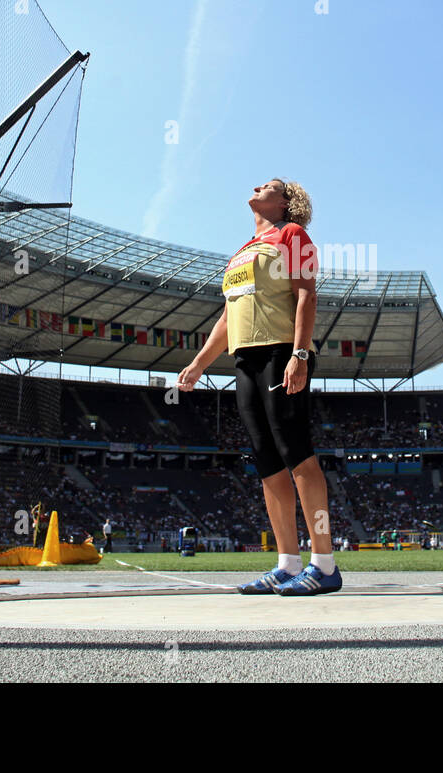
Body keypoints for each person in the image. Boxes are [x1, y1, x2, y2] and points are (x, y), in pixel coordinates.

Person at [178, 178, 341, 596]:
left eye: (268, 185)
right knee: (267, 463)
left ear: (286, 201)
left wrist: (300, 355)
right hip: (245, 360)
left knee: (297, 454)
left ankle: (324, 565)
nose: (256, 186)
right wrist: (199, 364)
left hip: (281, 352)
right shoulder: (241, 253)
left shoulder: (292, 235)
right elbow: (229, 316)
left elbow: (306, 295)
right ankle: (288, 563)